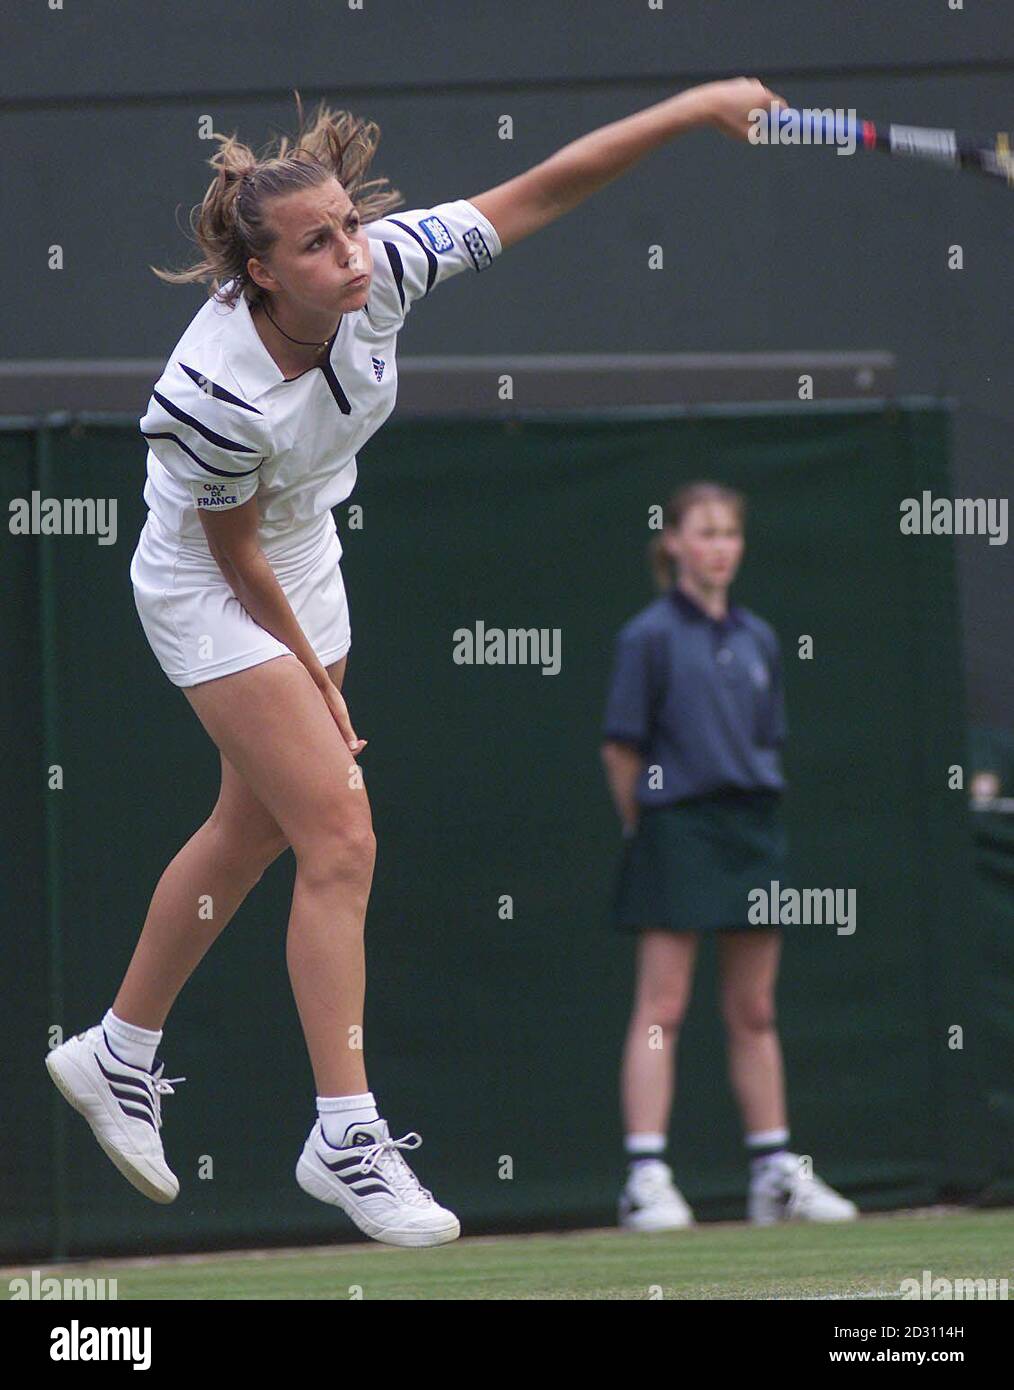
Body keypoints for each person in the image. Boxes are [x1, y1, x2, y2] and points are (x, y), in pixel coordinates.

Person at [45, 80, 789, 1248]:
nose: (353, 252)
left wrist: (694, 108)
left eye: (350, 225)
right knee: (342, 829)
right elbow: (231, 554)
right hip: (207, 577)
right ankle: (344, 1132)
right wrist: (321, 685)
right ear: (260, 277)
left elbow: (545, 188)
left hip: (305, 544)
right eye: (318, 242)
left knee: (256, 833)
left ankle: (117, 1052)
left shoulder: (386, 267)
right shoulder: (212, 395)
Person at [601, 482, 858, 1229]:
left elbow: (764, 741)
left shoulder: (760, 638)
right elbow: (621, 749)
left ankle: (774, 1173)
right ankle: (646, 1179)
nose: (720, 547)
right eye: (704, 532)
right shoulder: (646, 636)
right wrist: (645, 827)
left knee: (754, 1007)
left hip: (753, 828)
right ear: (673, 542)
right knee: (664, 1005)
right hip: (676, 827)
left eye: (730, 534)